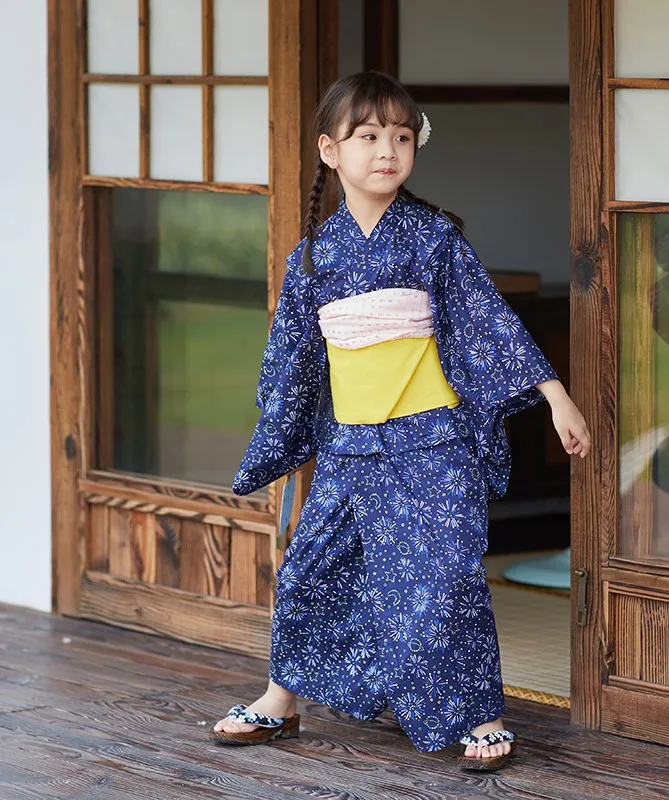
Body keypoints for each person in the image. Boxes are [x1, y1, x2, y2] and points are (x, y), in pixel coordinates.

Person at [211, 71, 591, 771]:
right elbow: (293, 360)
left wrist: (555, 395)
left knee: (448, 578)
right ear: (331, 150)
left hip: (431, 441)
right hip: (350, 447)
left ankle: (482, 714)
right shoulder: (314, 257)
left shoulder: (433, 239)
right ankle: (279, 701)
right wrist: (280, 438)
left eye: (402, 136)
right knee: (309, 572)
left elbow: (489, 323)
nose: (387, 150)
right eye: (368, 136)